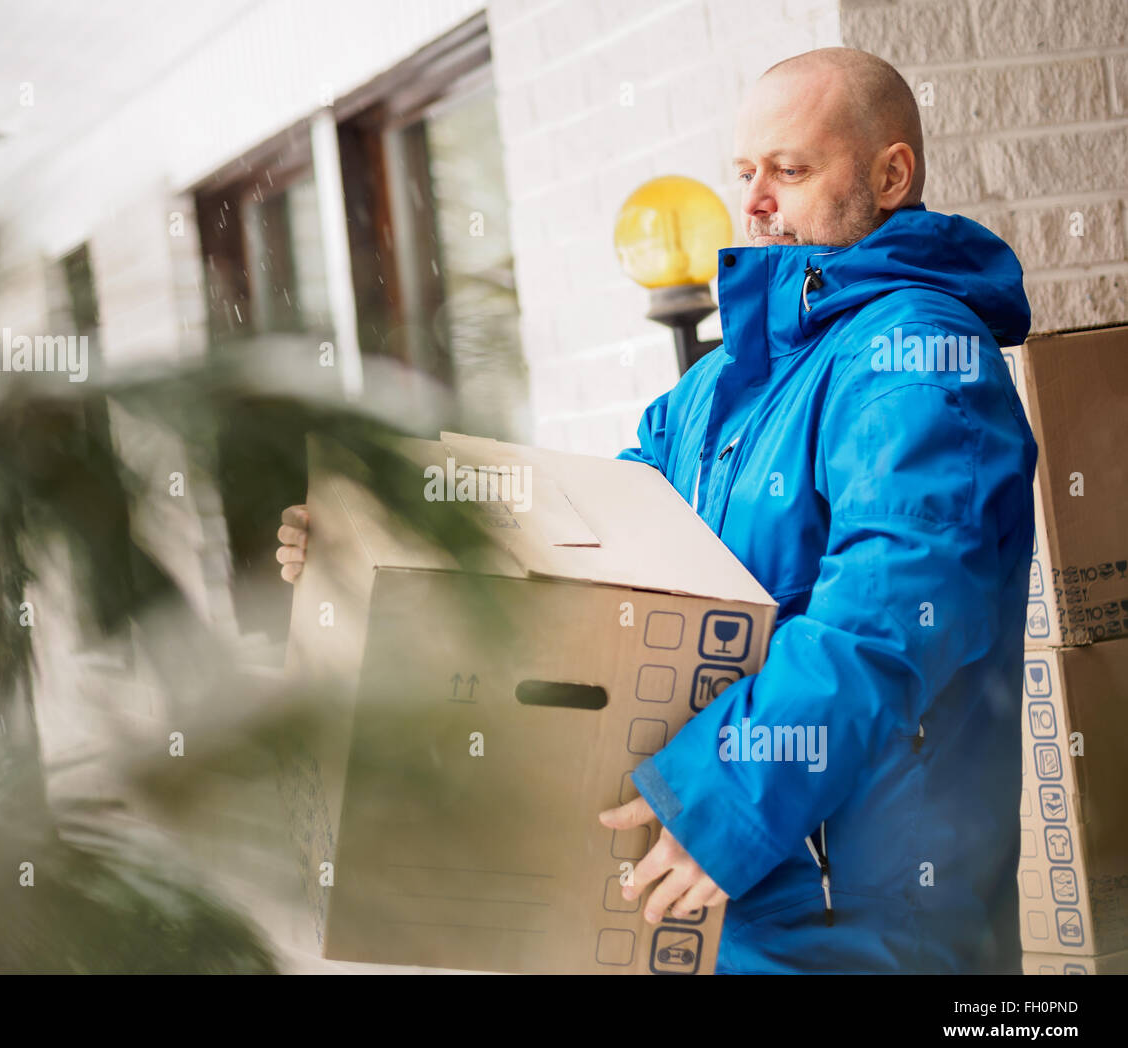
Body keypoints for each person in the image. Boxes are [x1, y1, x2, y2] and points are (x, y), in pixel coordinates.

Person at [277, 46, 1037, 974]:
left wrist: (731, 803)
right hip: (727, 905)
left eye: (789, 171)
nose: (755, 200)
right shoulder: (724, 382)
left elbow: (888, 621)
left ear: (890, 175)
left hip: (867, 922)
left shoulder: (922, 358)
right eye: (746, 173)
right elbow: (590, 542)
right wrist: (369, 547)